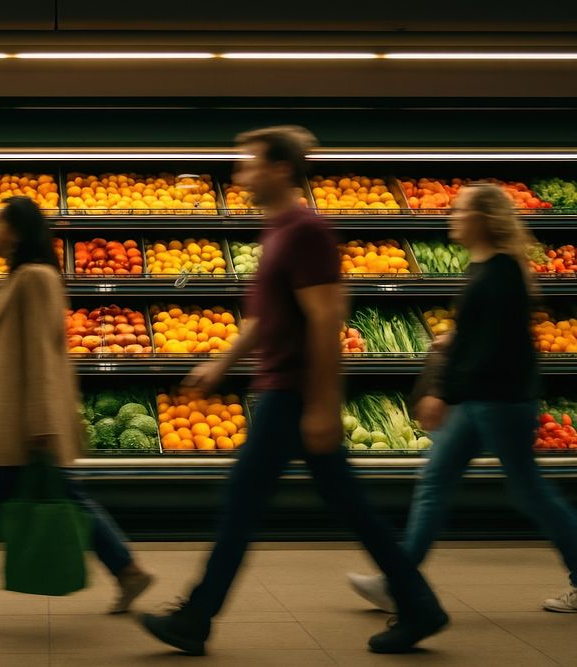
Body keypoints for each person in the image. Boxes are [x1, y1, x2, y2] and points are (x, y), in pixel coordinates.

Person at [138, 126, 448, 656]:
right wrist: (222, 363)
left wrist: (323, 406)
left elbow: (326, 318)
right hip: (284, 389)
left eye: (250, 163)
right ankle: (419, 604)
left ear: (280, 170)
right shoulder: (279, 229)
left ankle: (196, 616)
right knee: (345, 506)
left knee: (246, 502)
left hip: (295, 393)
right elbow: (265, 318)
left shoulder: (305, 230)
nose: (240, 174)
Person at [0, 196, 153, 630]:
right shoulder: (20, 276)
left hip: (22, 424)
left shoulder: (35, 278)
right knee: (61, 499)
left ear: (16, 231)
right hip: (15, 419)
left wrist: (40, 424)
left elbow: (40, 356)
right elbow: (4, 351)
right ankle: (128, 572)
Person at [348, 183, 577, 614]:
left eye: (462, 209)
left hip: (501, 402)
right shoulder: (488, 266)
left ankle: (399, 583)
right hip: (487, 401)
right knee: (439, 484)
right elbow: (485, 331)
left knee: (529, 493)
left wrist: (442, 392)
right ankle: (399, 583)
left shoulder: (501, 273)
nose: (452, 214)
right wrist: (455, 339)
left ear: (483, 219)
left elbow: (492, 347)